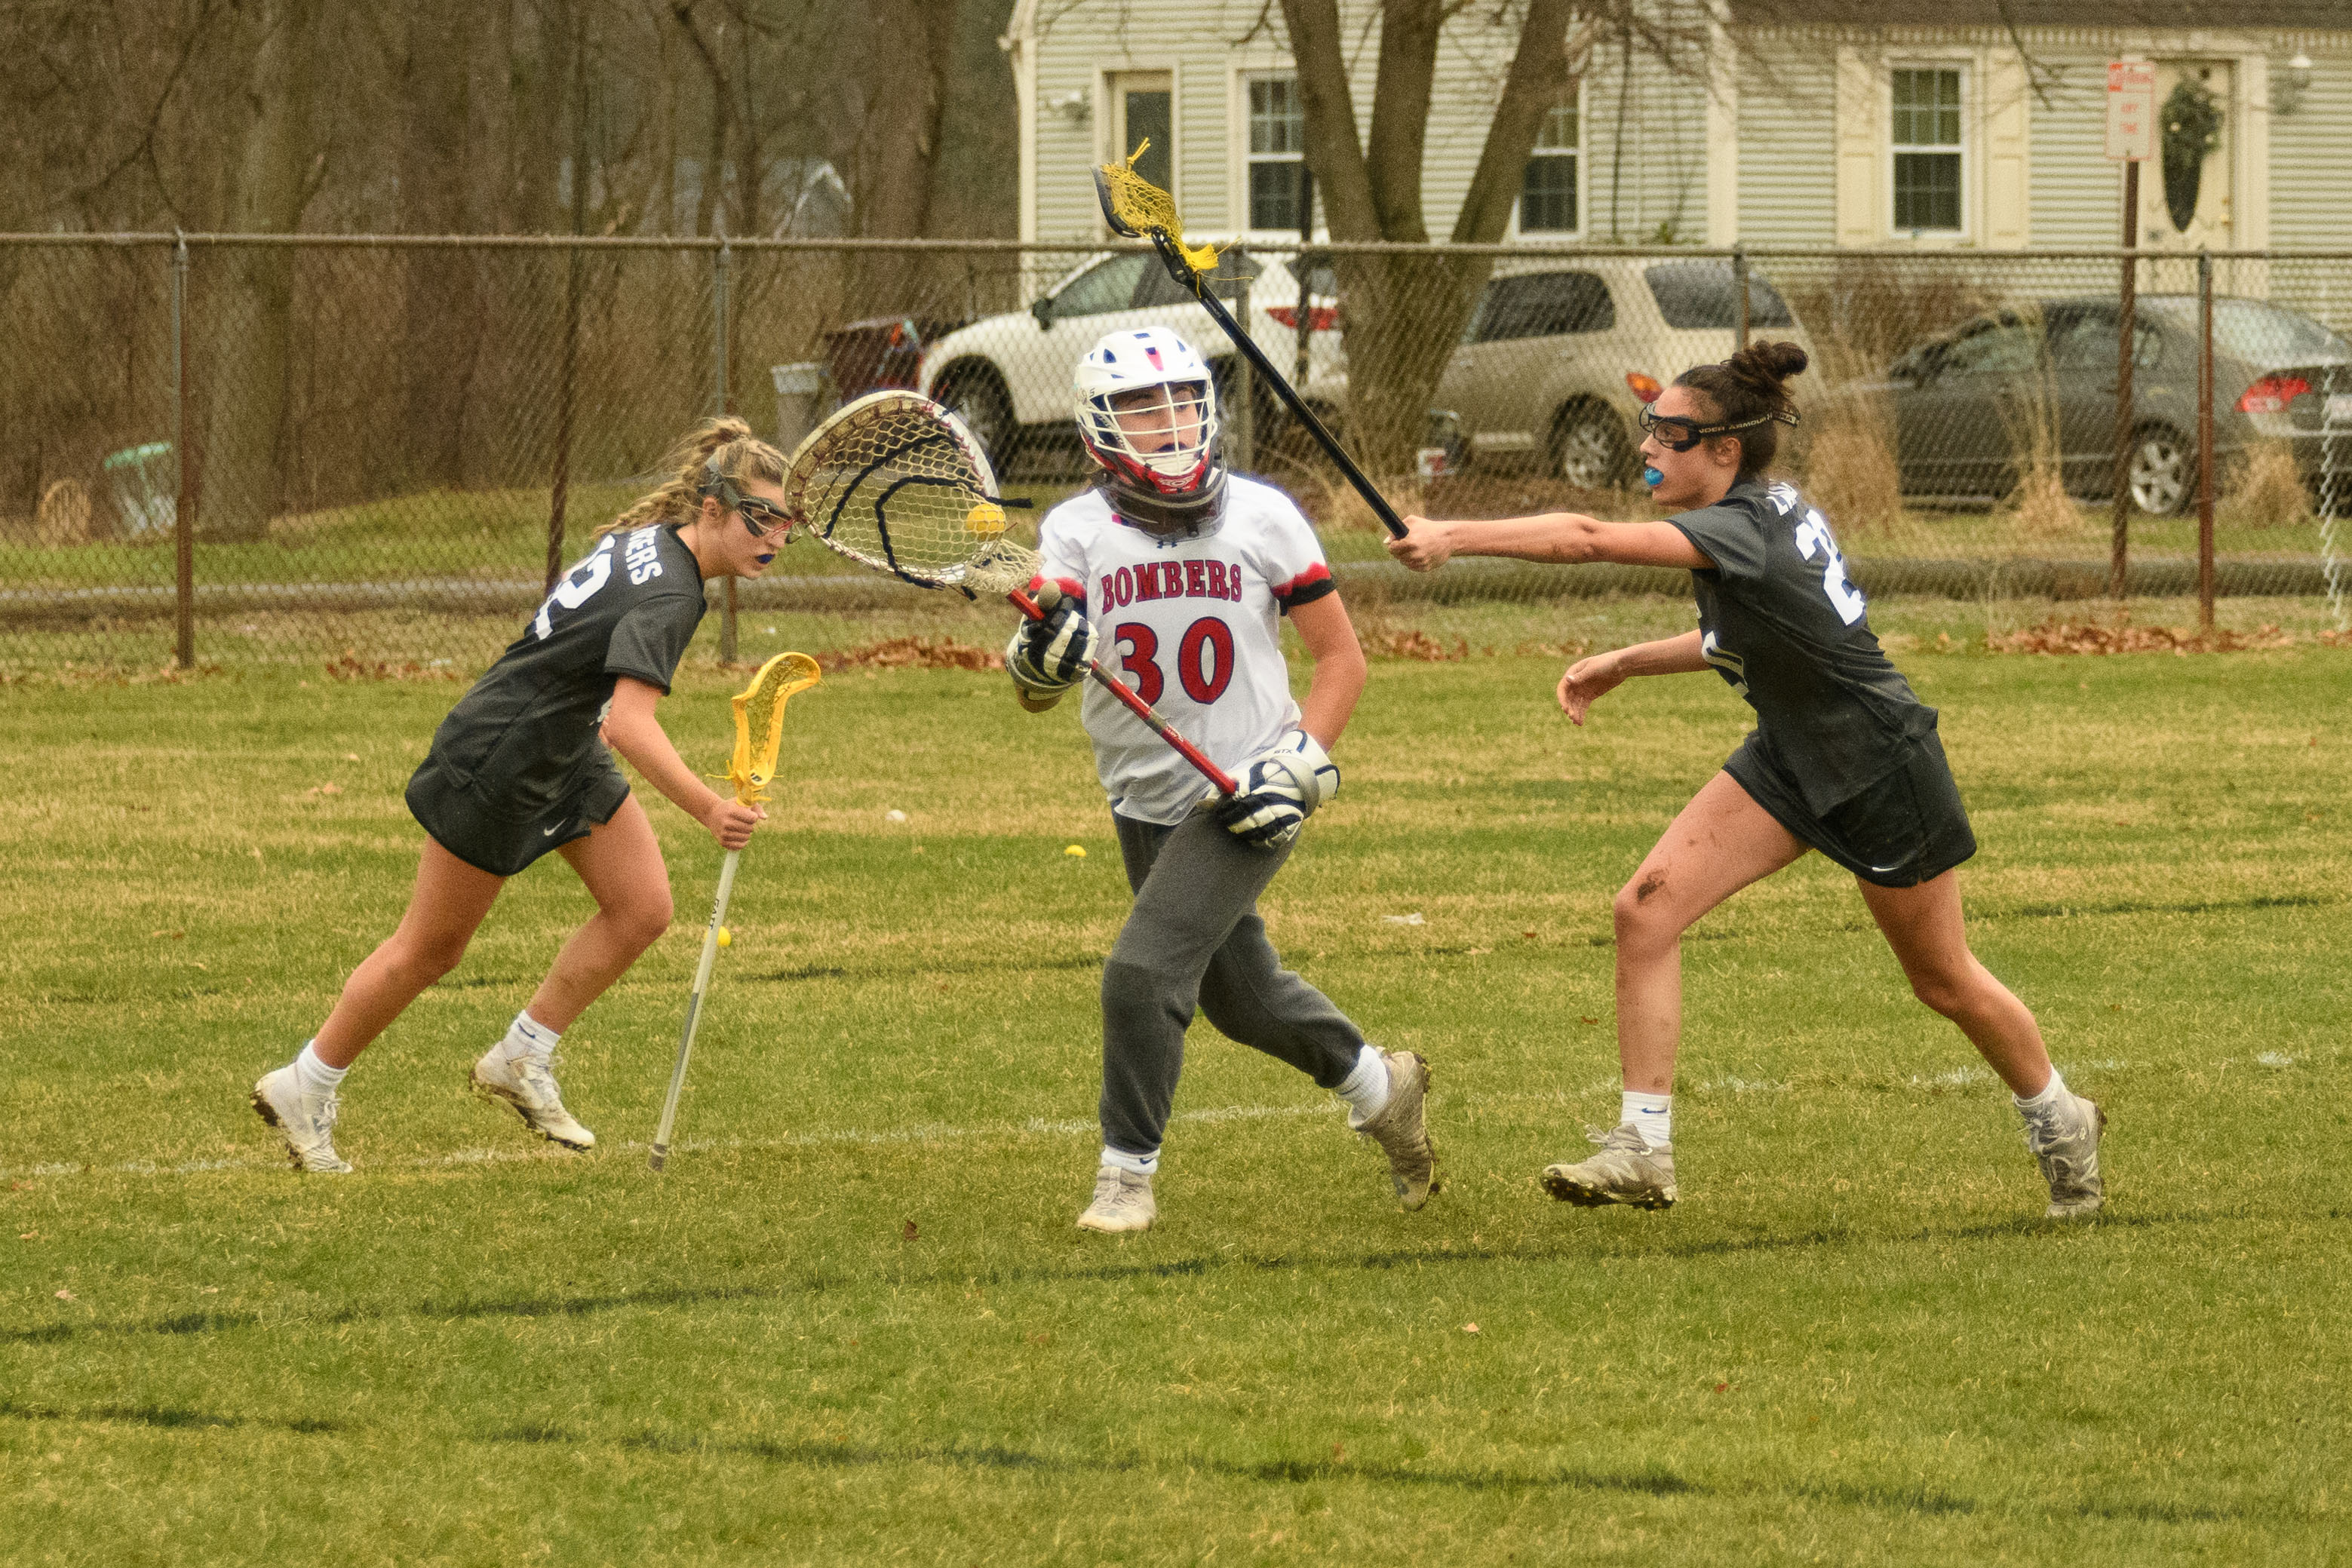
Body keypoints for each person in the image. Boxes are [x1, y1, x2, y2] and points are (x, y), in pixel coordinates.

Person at [1384, 341, 2106, 1220]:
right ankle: (1643, 1148)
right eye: (1649, 427)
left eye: (1670, 434)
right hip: (1791, 754)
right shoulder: (1757, 511)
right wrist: (1625, 662)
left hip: (1877, 764)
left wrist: (1451, 534)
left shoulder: (1740, 525)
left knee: (1942, 979)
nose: (1648, 447)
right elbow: (1748, 638)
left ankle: (2060, 1119)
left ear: (1724, 451)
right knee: (1646, 907)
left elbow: (1583, 539)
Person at [251, 417, 789, 1173]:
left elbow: (591, 681)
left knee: (641, 907)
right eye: (760, 518)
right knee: (429, 949)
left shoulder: (657, 546)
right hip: (503, 756)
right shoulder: (673, 593)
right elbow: (632, 725)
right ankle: (303, 1084)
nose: (775, 537)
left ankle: (520, 1056)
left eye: (786, 523)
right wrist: (708, 808)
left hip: (563, 751)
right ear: (711, 509)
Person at [1010, 325, 1434, 1233]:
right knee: (1240, 997)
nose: (1165, 422)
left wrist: (1295, 766)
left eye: (1179, 402)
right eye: (1137, 407)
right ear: (1096, 427)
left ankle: (1126, 1176)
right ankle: (1381, 1086)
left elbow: (1341, 665)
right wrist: (1042, 660)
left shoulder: (1265, 514)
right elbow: (1035, 691)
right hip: (1141, 795)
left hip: (1245, 790)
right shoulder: (1075, 531)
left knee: (1139, 974)